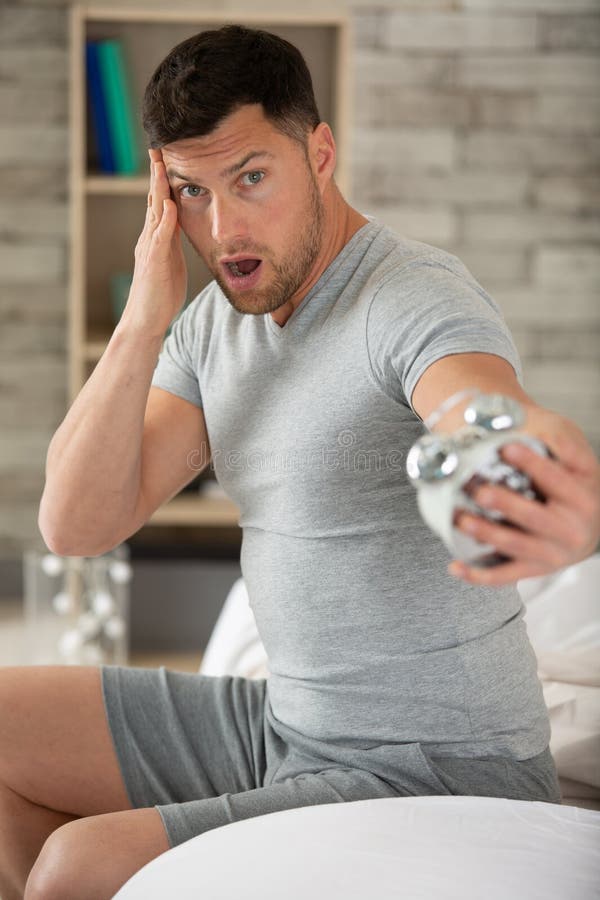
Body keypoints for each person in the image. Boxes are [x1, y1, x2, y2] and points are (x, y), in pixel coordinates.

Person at [2, 24, 598, 900]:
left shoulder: (411, 294)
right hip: (285, 724)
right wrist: (145, 314)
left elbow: (474, 405)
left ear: (319, 152)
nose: (225, 227)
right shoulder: (210, 328)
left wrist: (524, 465)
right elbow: (77, 523)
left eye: (250, 178)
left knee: (77, 865)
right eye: (192, 192)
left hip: (435, 763)